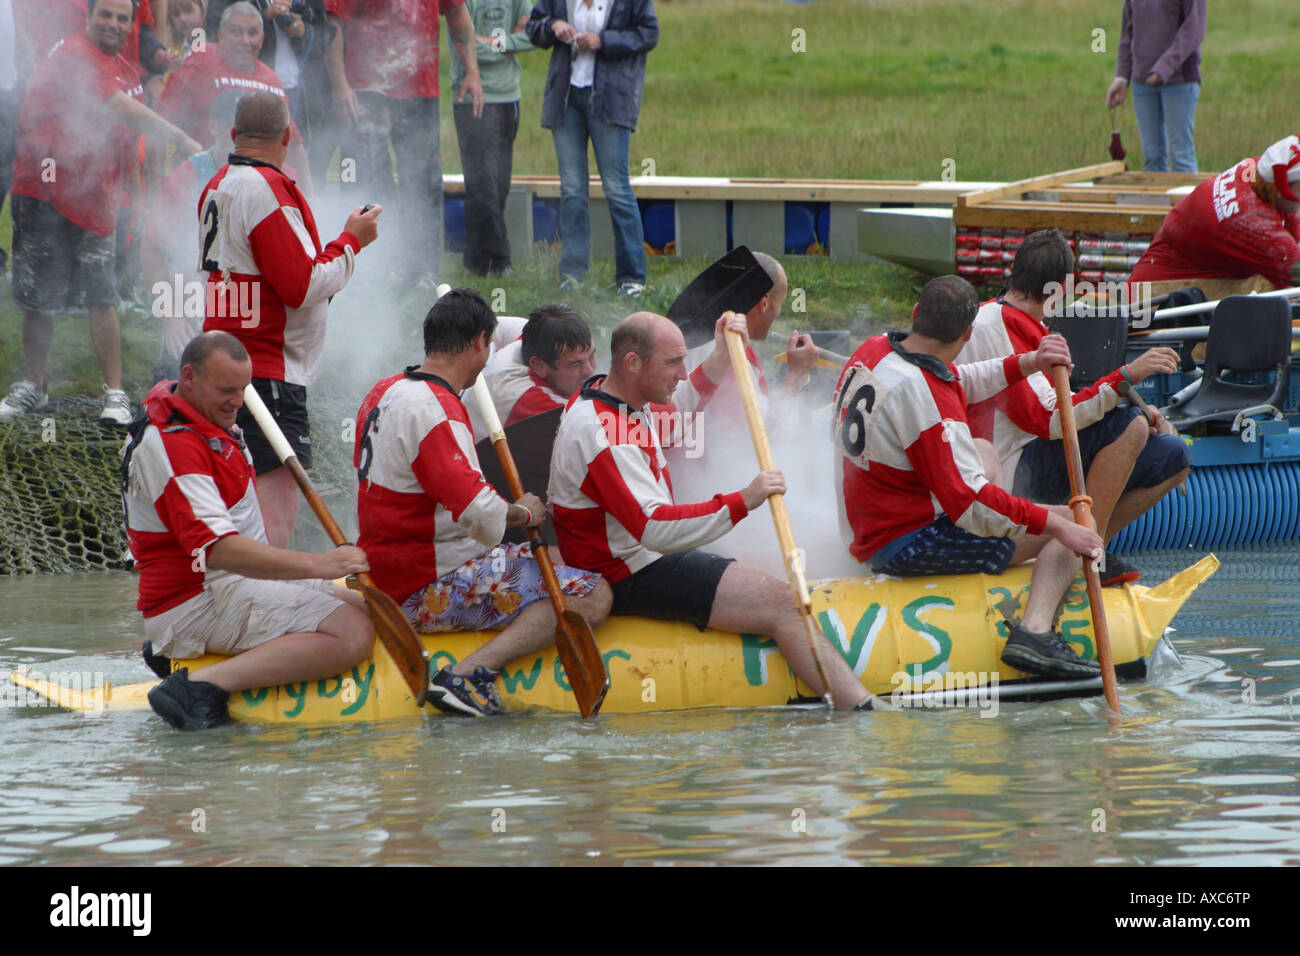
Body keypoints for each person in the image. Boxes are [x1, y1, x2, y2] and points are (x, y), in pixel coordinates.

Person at [548, 311, 875, 710]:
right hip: (628, 569)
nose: (683, 373)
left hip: (635, 554)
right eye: (672, 363)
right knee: (782, 603)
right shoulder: (601, 431)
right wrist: (744, 499)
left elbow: (677, 416)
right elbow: (654, 529)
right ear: (633, 363)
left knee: (772, 564)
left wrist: (720, 356)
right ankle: (859, 711)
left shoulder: (612, 396)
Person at [354, 289, 612, 717]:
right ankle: (470, 673)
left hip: (386, 563)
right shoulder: (435, 409)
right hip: (427, 581)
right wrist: (523, 511)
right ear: (478, 343)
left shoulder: (384, 389)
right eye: (488, 345)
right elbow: (479, 514)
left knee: (557, 559)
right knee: (594, 592)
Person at [835, 276, 1106, 680]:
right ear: (966, 335)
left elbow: (959, 379)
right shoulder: (926, 396)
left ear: (915, 315)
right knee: (1075, 521)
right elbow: (971, 504)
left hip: (870, 517)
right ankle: (1034, 633)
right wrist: (1055, 526)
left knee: (982, 450)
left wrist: (1028, 361)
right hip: (906, 543)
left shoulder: (875, 349)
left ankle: (1035, 556)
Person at [123, 331, 376, 730]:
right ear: (188, 377)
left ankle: (189, 660)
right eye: (227, 389)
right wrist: (320, 564)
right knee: (353, 633)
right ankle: (196, 687)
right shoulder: (171, 444)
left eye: (244, 388)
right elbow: (219, 551)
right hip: (195, 600)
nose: (239, 402)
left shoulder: (202, 414)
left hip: (229, 586)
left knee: (369, 605)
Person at [0, 0, 202, 426]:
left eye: (122, 18)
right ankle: (32, 387)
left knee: (101, 295)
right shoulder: (72, 54)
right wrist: (181, 137)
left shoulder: (128, 71)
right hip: (44, 189)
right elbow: (120, 109)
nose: (113, 24)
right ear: (89, 17)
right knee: (39, 299)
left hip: (96, 198)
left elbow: (130, 143)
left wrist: (137, 199)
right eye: (105, 15)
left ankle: (114, 393)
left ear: (131, 25)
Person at [198, 90, 380, 547]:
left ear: (235, 135)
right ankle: (264, 614)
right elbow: (301, 287)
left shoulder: (216, 183)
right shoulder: (265, 189)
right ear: (287, 136)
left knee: (237, 505)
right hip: (265, 372)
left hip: (223, 364)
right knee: (275, 518)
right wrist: (351, 242)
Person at [957, 230, 1192, 583]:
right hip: (1007, 472)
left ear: (1014, 273)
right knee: (1131, 425)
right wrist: (1127, 375)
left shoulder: (1009, 320)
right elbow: (1051, 419)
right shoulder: (1000, 326)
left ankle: (1090, 547)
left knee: (1174, 456)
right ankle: (1084, 552)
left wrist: (1125, 396)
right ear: (1062, 290)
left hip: (1015, 456)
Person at [324, 0, 483, 285]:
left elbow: (458, 13)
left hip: (420, 92)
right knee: (367, 181)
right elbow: (332, 25)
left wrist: (472, 70)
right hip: (367, 90)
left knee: (423, 181)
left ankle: (423, 269)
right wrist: (340, 85)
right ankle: (372, 267)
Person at [526, 0, 657, 296]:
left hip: (612, 99)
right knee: (572, 188)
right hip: (565, 97)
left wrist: (603, 41)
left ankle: (632, 277)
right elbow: (534, 28)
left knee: (616, 186)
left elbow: (649, 33)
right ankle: (573, 275)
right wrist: (552, 27)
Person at [158, 1, 313, 193]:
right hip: (199, 185)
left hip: (254, 191)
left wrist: (310, 200)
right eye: (236, 32)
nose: (245, 40)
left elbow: (294, 146)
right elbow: (161, 118)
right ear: (221, 35)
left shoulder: (271, 80)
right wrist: (154, 188)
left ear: (262, 39)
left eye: (252, 33)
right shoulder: (202, 60)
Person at [145, 87, 243, 380]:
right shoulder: (186, 176)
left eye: (247, 127)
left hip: (245, 316)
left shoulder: (270, 176)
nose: (240, 134)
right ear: (214, 126)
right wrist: (171, 316)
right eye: (232, 124)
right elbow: (150, 249)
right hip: (192, 312)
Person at [1127, 136, 1300, 290]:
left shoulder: (1259, 170)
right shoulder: (1250, 217)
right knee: (1278, 289)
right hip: (1158, 296)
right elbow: (1295, 269)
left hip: (1180, 269)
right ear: (1281, 187)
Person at [451, 0, 533, 275]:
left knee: (500, 180)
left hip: (509, 96)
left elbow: (530, 36)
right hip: (472, 95)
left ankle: (475, 260)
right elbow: (464, 40)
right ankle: (500, 260)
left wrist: (493, 43)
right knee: (482, 181)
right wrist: (507, 42)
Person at [1105, 0, 1206, 173]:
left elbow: (1194, 29)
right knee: (1152, 158)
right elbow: (1127, 33)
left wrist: (1164, 68)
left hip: (1179, 80)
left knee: (1181, 156)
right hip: (1142, 83)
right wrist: (1122, 77)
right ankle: (1156, 201)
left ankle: (1186, 201)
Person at [482, 302, 597, 429]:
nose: (589, 371)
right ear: (538, 366)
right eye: (575, 363)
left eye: (591, 356)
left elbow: (494, 326)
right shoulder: (537, 400)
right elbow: (608, 425)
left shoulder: (536, 337)